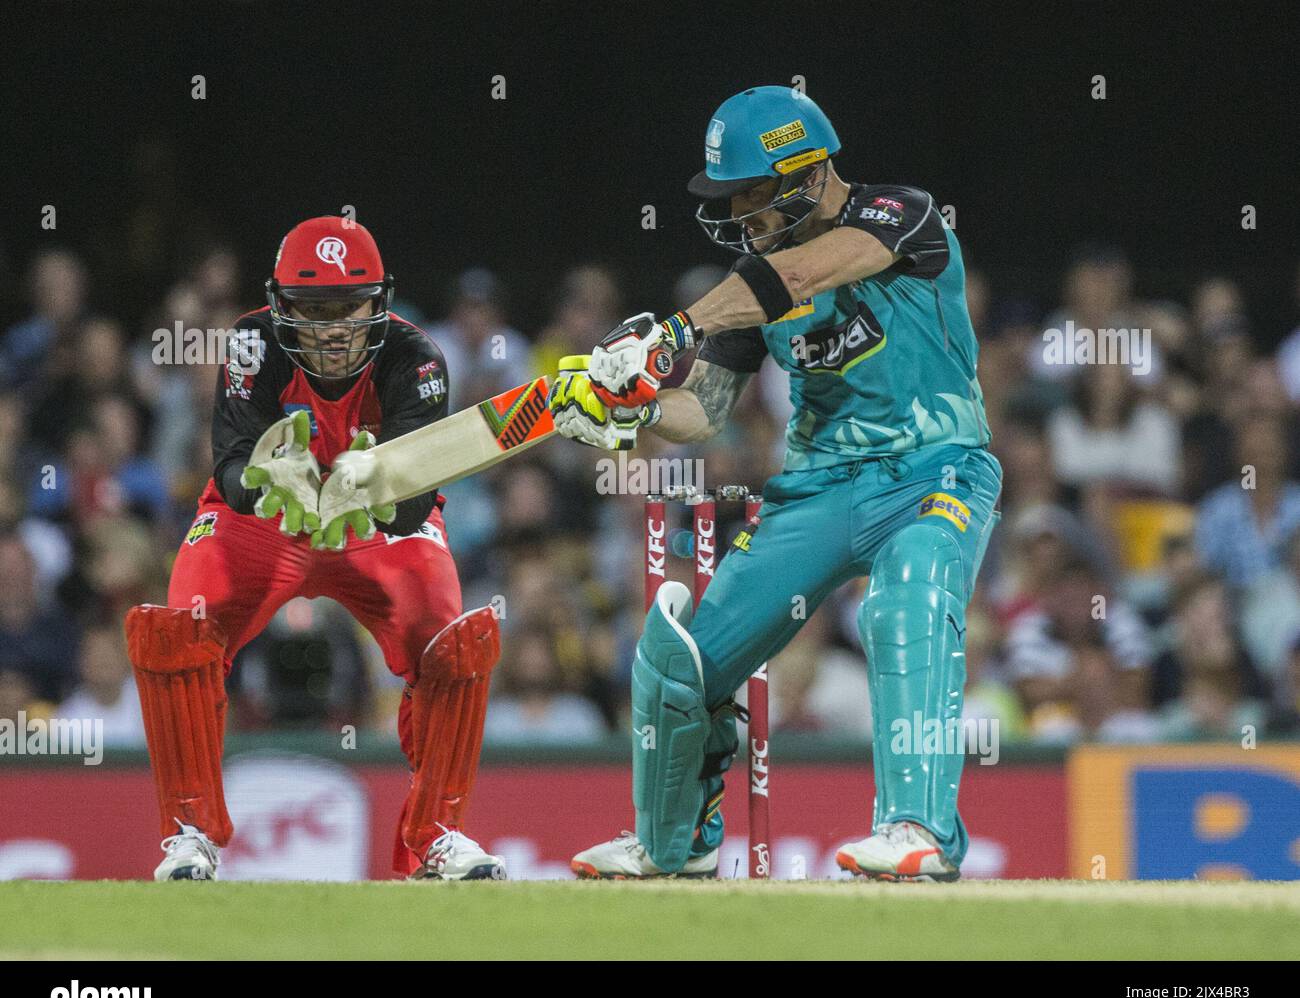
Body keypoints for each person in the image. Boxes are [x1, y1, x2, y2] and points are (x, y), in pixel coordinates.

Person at [548, 86, 1001, 881]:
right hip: (820, 487)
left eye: (751, 191)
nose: (738, 212)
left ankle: (916, 830)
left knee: (912, 598)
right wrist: (636, 403)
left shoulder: (903, 215)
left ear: (806, 169)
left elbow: (804, 271)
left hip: (937, 468)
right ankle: (671, 844)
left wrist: (676, 328)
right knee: (679, 663)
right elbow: (707, 412)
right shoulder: (754, 282)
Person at [124, 217, 505, 882]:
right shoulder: (251, 342)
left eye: (348, 309)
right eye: (313, 311)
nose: (332, 330)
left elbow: (415, 503)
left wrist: (371, 482)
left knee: (449, 639)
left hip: (374, 519)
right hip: (271, 519)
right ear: (281, 308)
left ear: (379, 305)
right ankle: (189, 834)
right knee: (182, 629)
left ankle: (437, 837)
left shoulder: (417, 359)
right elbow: (233, 465)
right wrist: (273, 478)